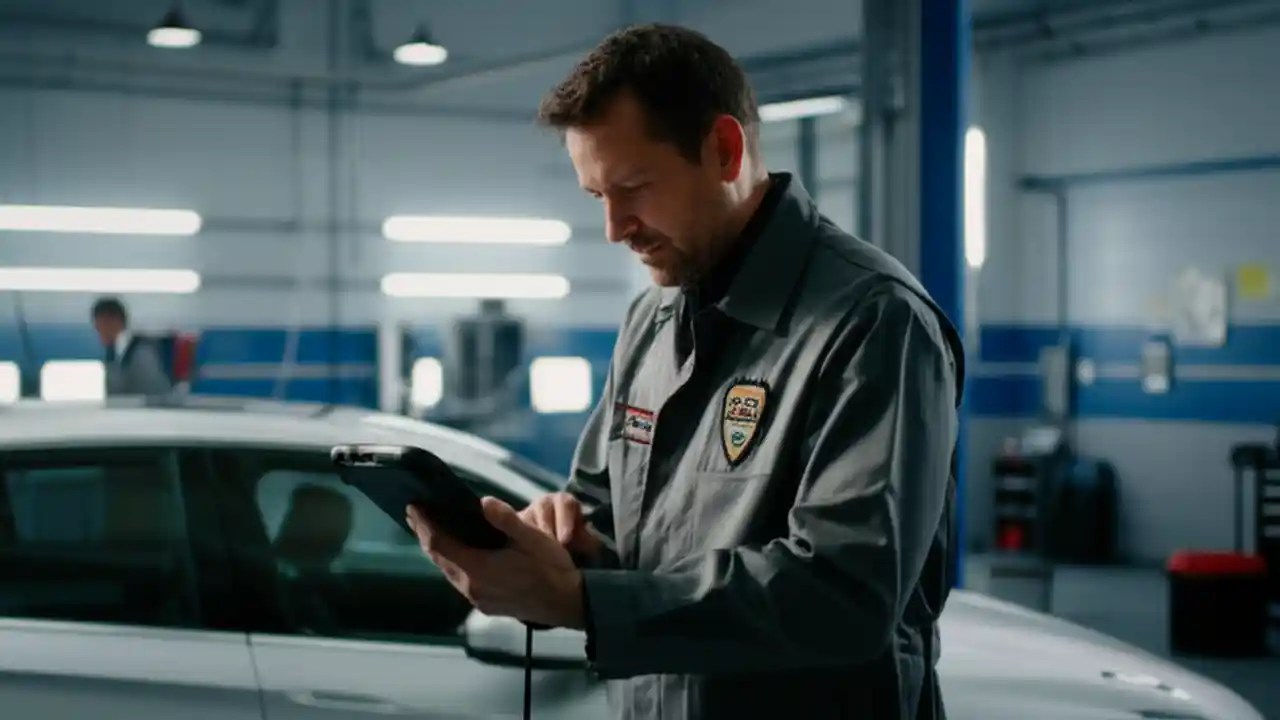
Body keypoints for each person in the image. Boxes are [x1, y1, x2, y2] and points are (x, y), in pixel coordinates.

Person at [405, 23, 965, 719]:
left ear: (725, 151)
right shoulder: (651, 321)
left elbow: (845, 594)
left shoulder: (872, 321)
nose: (615, 227)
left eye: (633, 186)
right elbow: (600, 509)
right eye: (595, 196)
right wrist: (564, 540)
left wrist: (582, 601)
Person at [91, 297, 172, 397]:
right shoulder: (113, 355)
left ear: (114, 321)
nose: (99, 334)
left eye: (99, 328)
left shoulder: (142, 353)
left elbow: (152, 395)